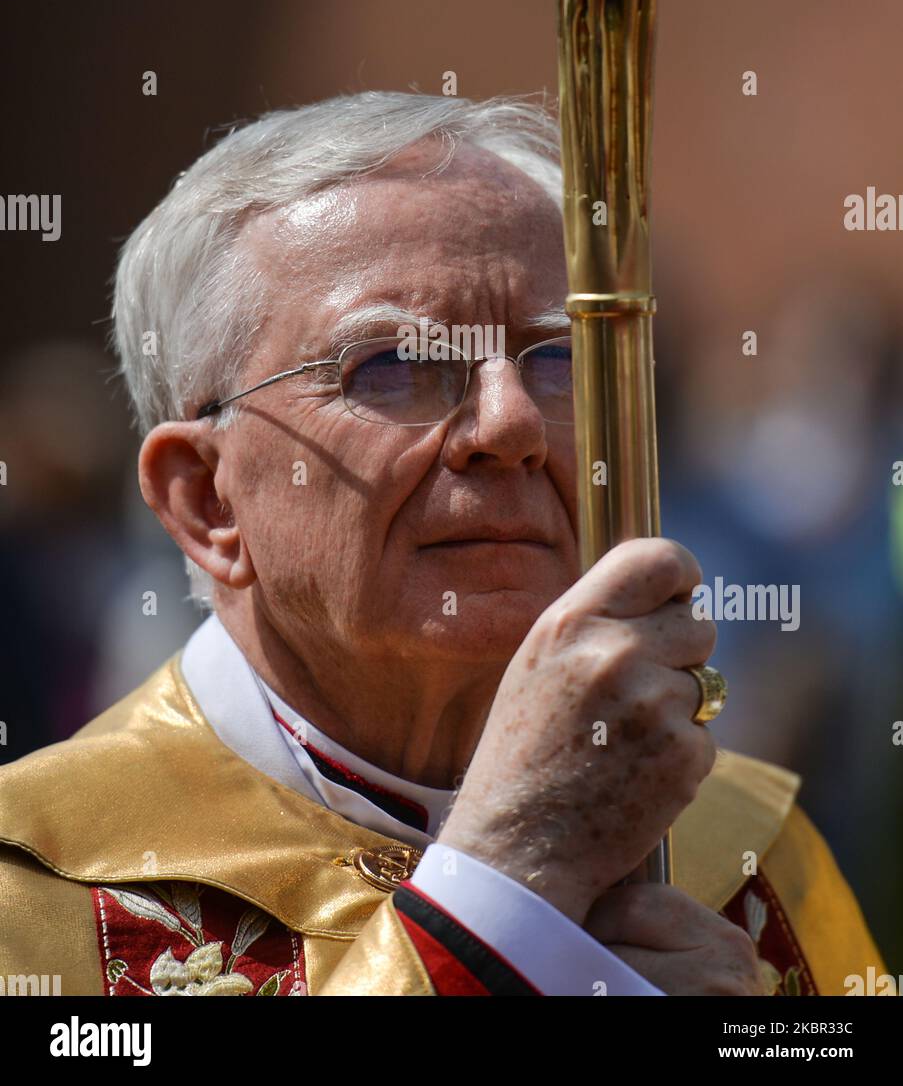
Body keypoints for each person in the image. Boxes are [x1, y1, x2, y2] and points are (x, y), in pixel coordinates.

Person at [0, 93, 886, 997]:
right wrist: (504, 892)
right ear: (207, 499)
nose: (510, 424)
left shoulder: (747, 850)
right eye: (391, 366)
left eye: (558, 359)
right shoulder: (35, 891)